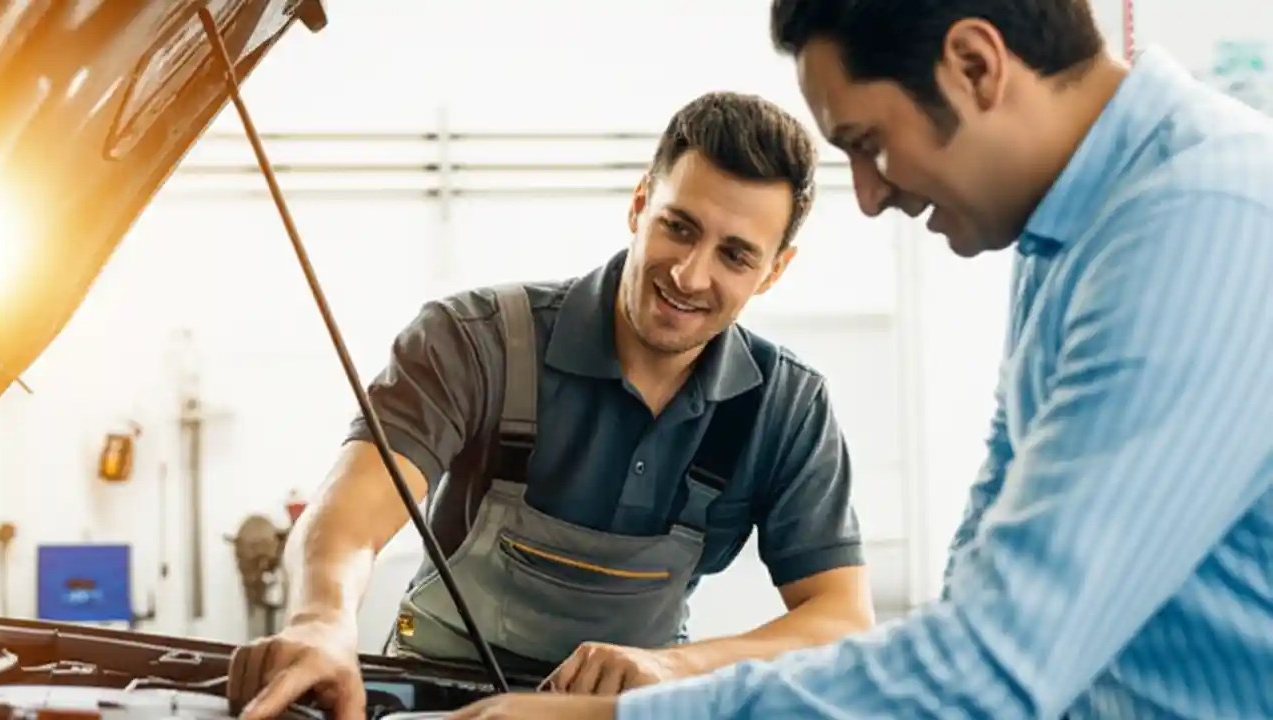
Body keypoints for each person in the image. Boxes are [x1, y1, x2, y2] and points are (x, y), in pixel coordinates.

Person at [450, 1, 1273, 718]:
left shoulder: (1198, 223)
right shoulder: (1066, 242)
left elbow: (991, 662)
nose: (873, 196)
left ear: (975, 66)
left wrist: (618, 717)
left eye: (869, 143)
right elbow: (972, 599)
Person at [227, 90, 877, 720]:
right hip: (440, 704)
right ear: (640, 204)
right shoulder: (474, 340)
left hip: (621, 714)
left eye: (735, 255)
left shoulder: (785, 406)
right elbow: (348, 517)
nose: (689, 275)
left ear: (774, 271)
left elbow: (841, 617)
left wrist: (674, 667)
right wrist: (321, 620)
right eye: (679, 228)